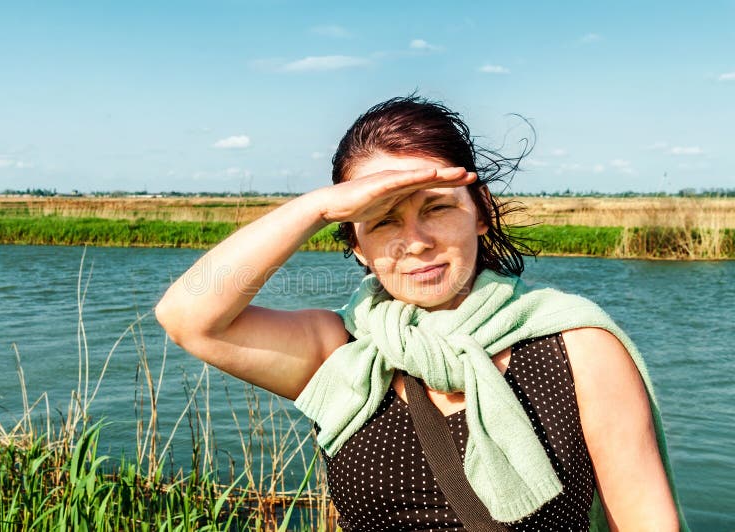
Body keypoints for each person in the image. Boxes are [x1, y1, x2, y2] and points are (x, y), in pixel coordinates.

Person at [155, 96, 686, 531]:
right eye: (382, 220)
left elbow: (645, 521)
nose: (415, 243)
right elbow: (188, 317)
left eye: (437, 207)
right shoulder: (341, 350)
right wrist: (315, 207)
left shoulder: (577, 346)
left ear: (479, 213)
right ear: (356, 245)